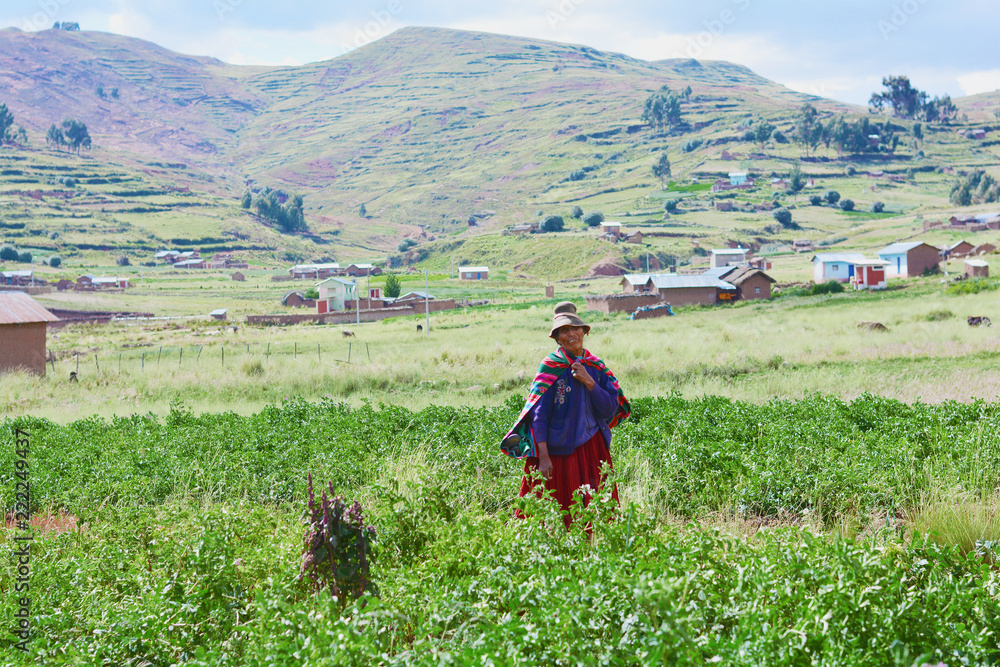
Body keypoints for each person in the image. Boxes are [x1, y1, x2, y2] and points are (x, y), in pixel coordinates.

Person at [501, 301, 630, 526]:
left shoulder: (596, 367)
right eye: (564, 330)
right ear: (557, 338)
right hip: (558, 452)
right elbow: (538, 416)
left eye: (575, 328)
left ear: (584, 332)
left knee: (595, 507)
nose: (571, 334)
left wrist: (589, 382)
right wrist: (543, 457)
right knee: (556, 509)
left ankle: (592, 552)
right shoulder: (551, 367)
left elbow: (610, 408)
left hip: (592, 448)